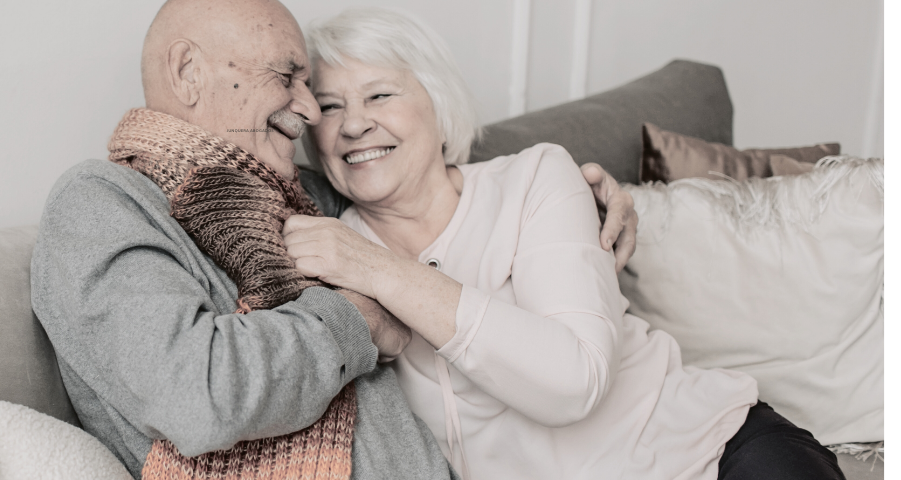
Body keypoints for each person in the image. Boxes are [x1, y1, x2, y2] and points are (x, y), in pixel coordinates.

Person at [31, 0, 636, 478]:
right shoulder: (102, 203)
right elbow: (198, 394)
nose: (312, 113)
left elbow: (428, 185)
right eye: (290, 78)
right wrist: (359, 320)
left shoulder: (303, 196)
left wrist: (596, 198)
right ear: (189, 72)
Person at [282, 7, 845, 480]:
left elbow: (575, 382)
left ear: (437, 101)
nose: (353, 125)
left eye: (379, 95)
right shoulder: (325, 247)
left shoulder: (536, 178)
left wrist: (383, 273)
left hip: (713, 451)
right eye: (329, 106)